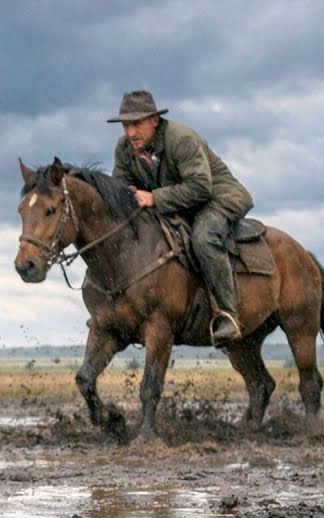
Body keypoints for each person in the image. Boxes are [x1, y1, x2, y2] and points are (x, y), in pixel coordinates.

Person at [108, 89, 254, 347]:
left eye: (136, 124)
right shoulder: (124, 148)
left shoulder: (181, 139)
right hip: (178, 206)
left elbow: (200, 187)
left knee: (204, 238)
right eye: (125, 126)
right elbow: (119, 189)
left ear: (154, 120)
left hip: (218, 198)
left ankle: (227, 315)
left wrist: (154, 197)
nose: (130, 133)